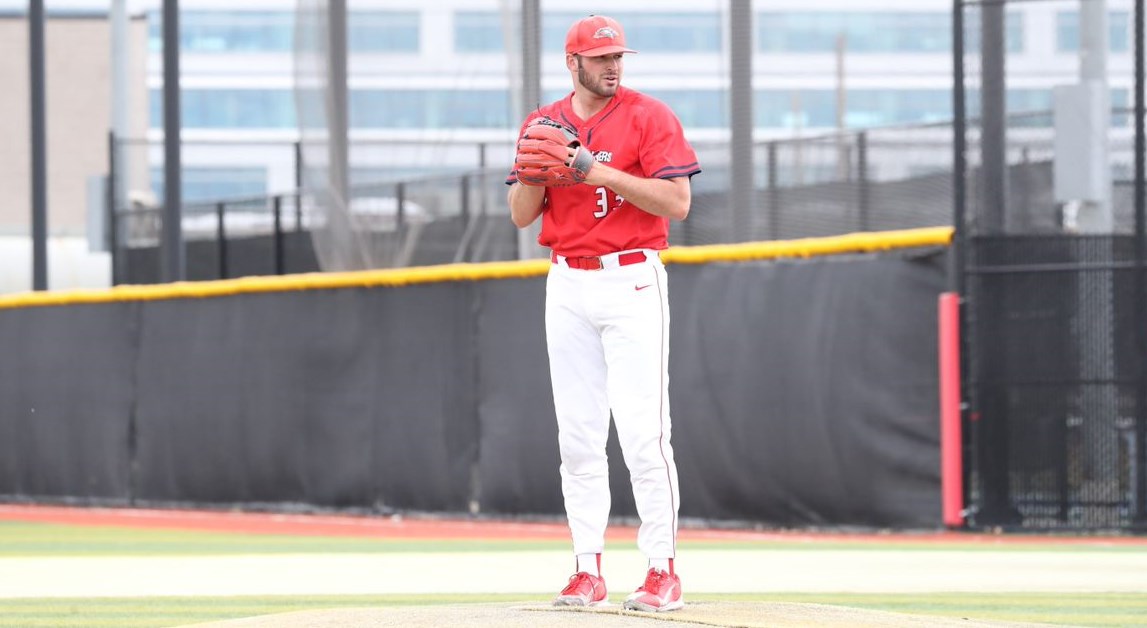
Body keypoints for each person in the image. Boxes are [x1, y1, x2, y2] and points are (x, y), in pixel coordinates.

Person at [505, 14, 700, 613]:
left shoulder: (649, 116)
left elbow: (678, 201)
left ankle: (662, 569)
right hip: (567, 282)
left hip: (633, 279)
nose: (613, 66)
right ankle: (587, 569)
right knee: (578, 436)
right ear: (574, 63)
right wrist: (539, 163)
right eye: (601, 57)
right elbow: (519, 214)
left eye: (618, 56)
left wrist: (589, 166)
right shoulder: (545, 123)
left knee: (645, 434)